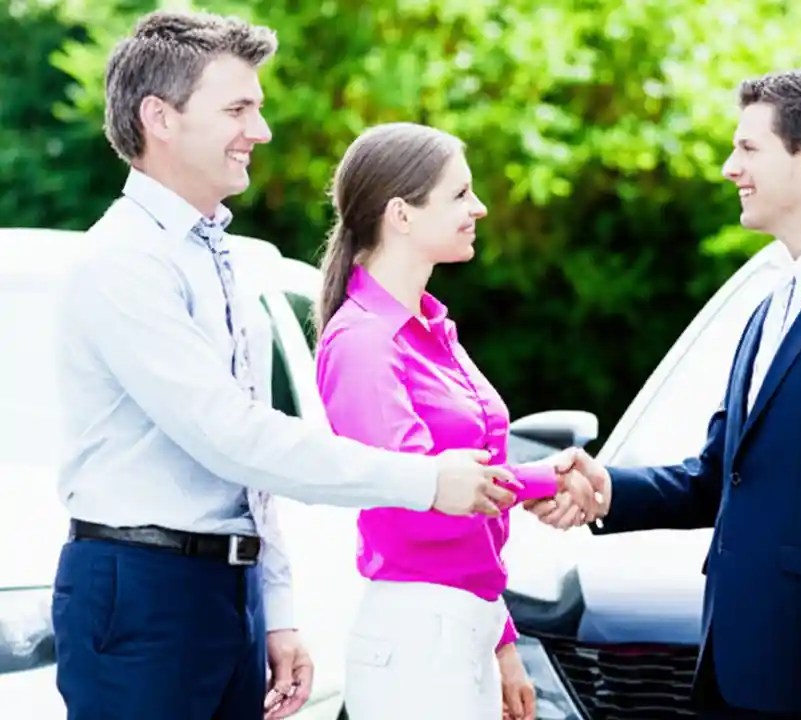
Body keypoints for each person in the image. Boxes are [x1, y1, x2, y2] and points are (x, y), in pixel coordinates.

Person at [50, 12, 517, 720]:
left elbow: (242, 475)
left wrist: (275, 608)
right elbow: (231, 435)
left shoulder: (221, 258)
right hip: (141, 591)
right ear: (160, 118)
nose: (260, 131)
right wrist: (425, 480)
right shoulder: (123, 262)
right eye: (238, 108)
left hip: (222, 592)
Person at [531, 68, 801, 719]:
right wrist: (607, 488)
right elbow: (719, 477)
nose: (732, 168)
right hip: (729, 675)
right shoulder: (768, 306)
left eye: (749, 149)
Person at [311, 122, 601, 720]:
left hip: (462, 629)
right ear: (402, 214)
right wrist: (546, 479)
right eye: (460, 194)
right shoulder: (365, 341)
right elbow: (420, 497)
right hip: (418, 640)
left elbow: (469, 507)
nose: (480, 208)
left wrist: (502, 646)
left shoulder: (433, 329)